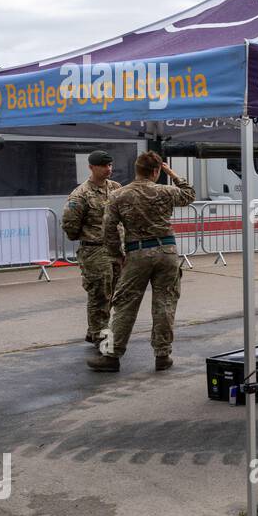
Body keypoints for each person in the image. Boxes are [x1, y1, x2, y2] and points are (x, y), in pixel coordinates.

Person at [86, 153, 195, 372]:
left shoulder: (118, 195)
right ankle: (162, 355)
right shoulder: (165, 191)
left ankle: (112, 355)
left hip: (137, 253)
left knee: (125, 305)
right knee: (164, 303)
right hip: (167, 251)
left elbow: (109, 229)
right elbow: (188, 195)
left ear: (136, 169)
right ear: (156, 171)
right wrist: (172, 173)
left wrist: (117, 255)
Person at [61, 151, 121, 344]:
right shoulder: (81, 194)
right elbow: (70, 225)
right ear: (91, 167)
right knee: (99, 294)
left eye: (110, 165)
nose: (108, 169)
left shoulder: (116, 188)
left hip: (116, 250)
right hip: (95, 250)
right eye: (104, 166)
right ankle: (100, 336)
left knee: (114, 292)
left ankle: (94, 329)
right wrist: (89, 237)